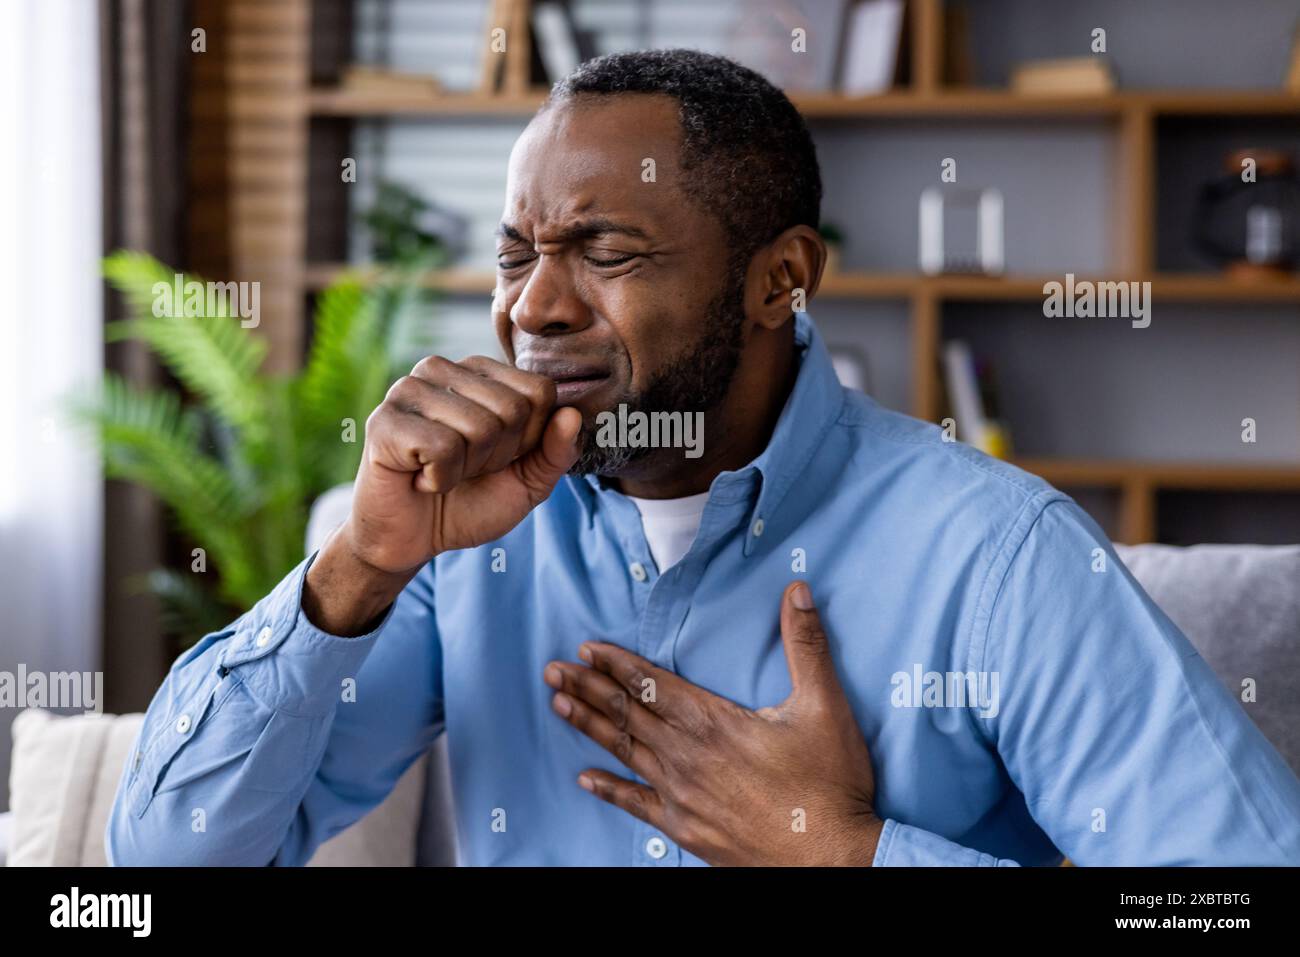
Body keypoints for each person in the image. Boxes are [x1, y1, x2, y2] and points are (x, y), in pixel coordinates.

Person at [107, 49, 1300, 866]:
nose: (535, 308)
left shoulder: (995, 556)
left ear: (778, 277)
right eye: (516, 253)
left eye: (605, 251)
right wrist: (354, 570)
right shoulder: (454, 541)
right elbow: (163, 866)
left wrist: (845, 851)